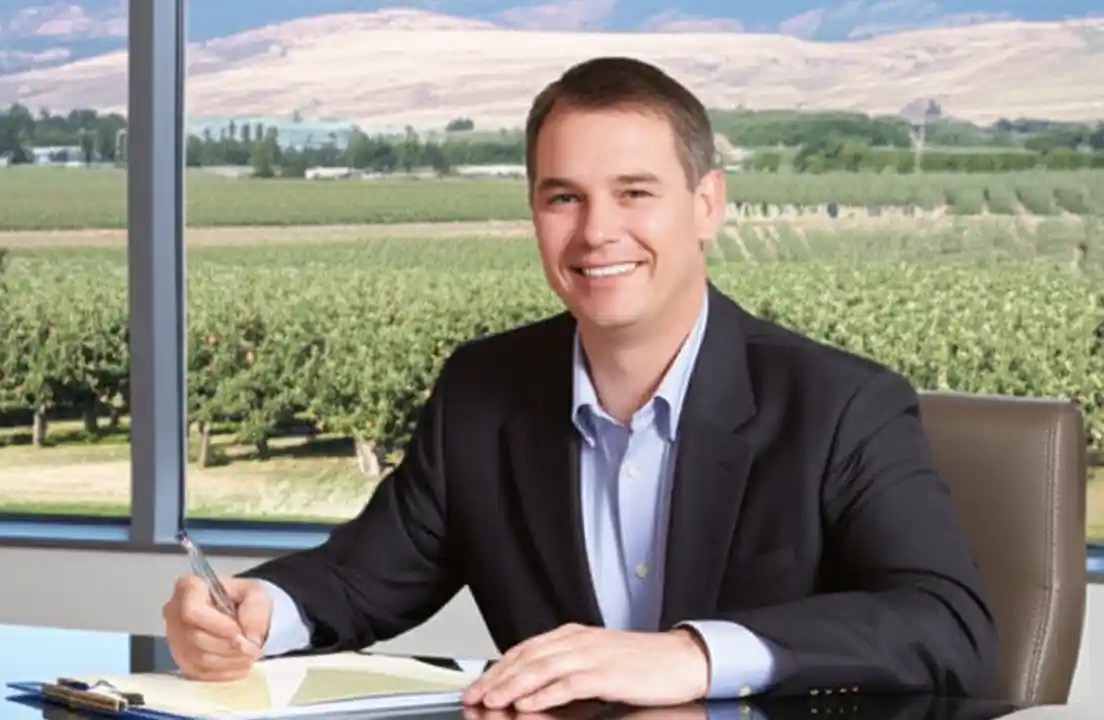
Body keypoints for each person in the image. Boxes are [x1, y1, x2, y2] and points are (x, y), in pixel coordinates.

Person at [162, 56, 998, 713]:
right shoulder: (482, 390)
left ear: (707, 204)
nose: (598, 232)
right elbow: (362, 577)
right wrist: (258, 610)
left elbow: (947, 625)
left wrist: (691, 654)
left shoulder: (840, 405)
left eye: (635, 192)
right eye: (564, 197)